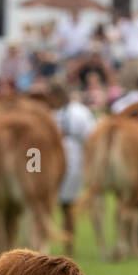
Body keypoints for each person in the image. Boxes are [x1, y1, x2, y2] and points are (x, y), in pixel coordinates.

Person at [49, 81, 95, 256]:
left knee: (68, 206)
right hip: (52, 163)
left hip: (73, 163)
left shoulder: (79, 112)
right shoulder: (50, 113)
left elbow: (90, 137)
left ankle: (69, 246)